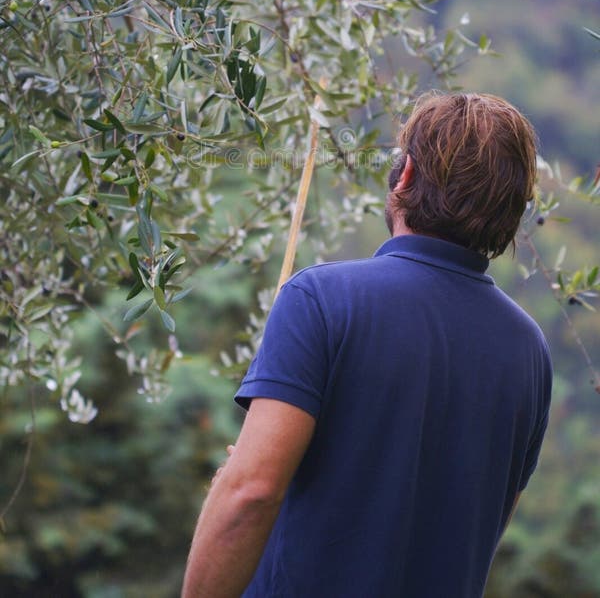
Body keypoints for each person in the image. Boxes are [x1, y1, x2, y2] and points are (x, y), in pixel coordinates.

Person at [182, 91, 553, 598]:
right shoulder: (530, 352)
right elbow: (483, 523)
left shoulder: (322, 299)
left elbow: (251, 493)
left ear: (405, 175)